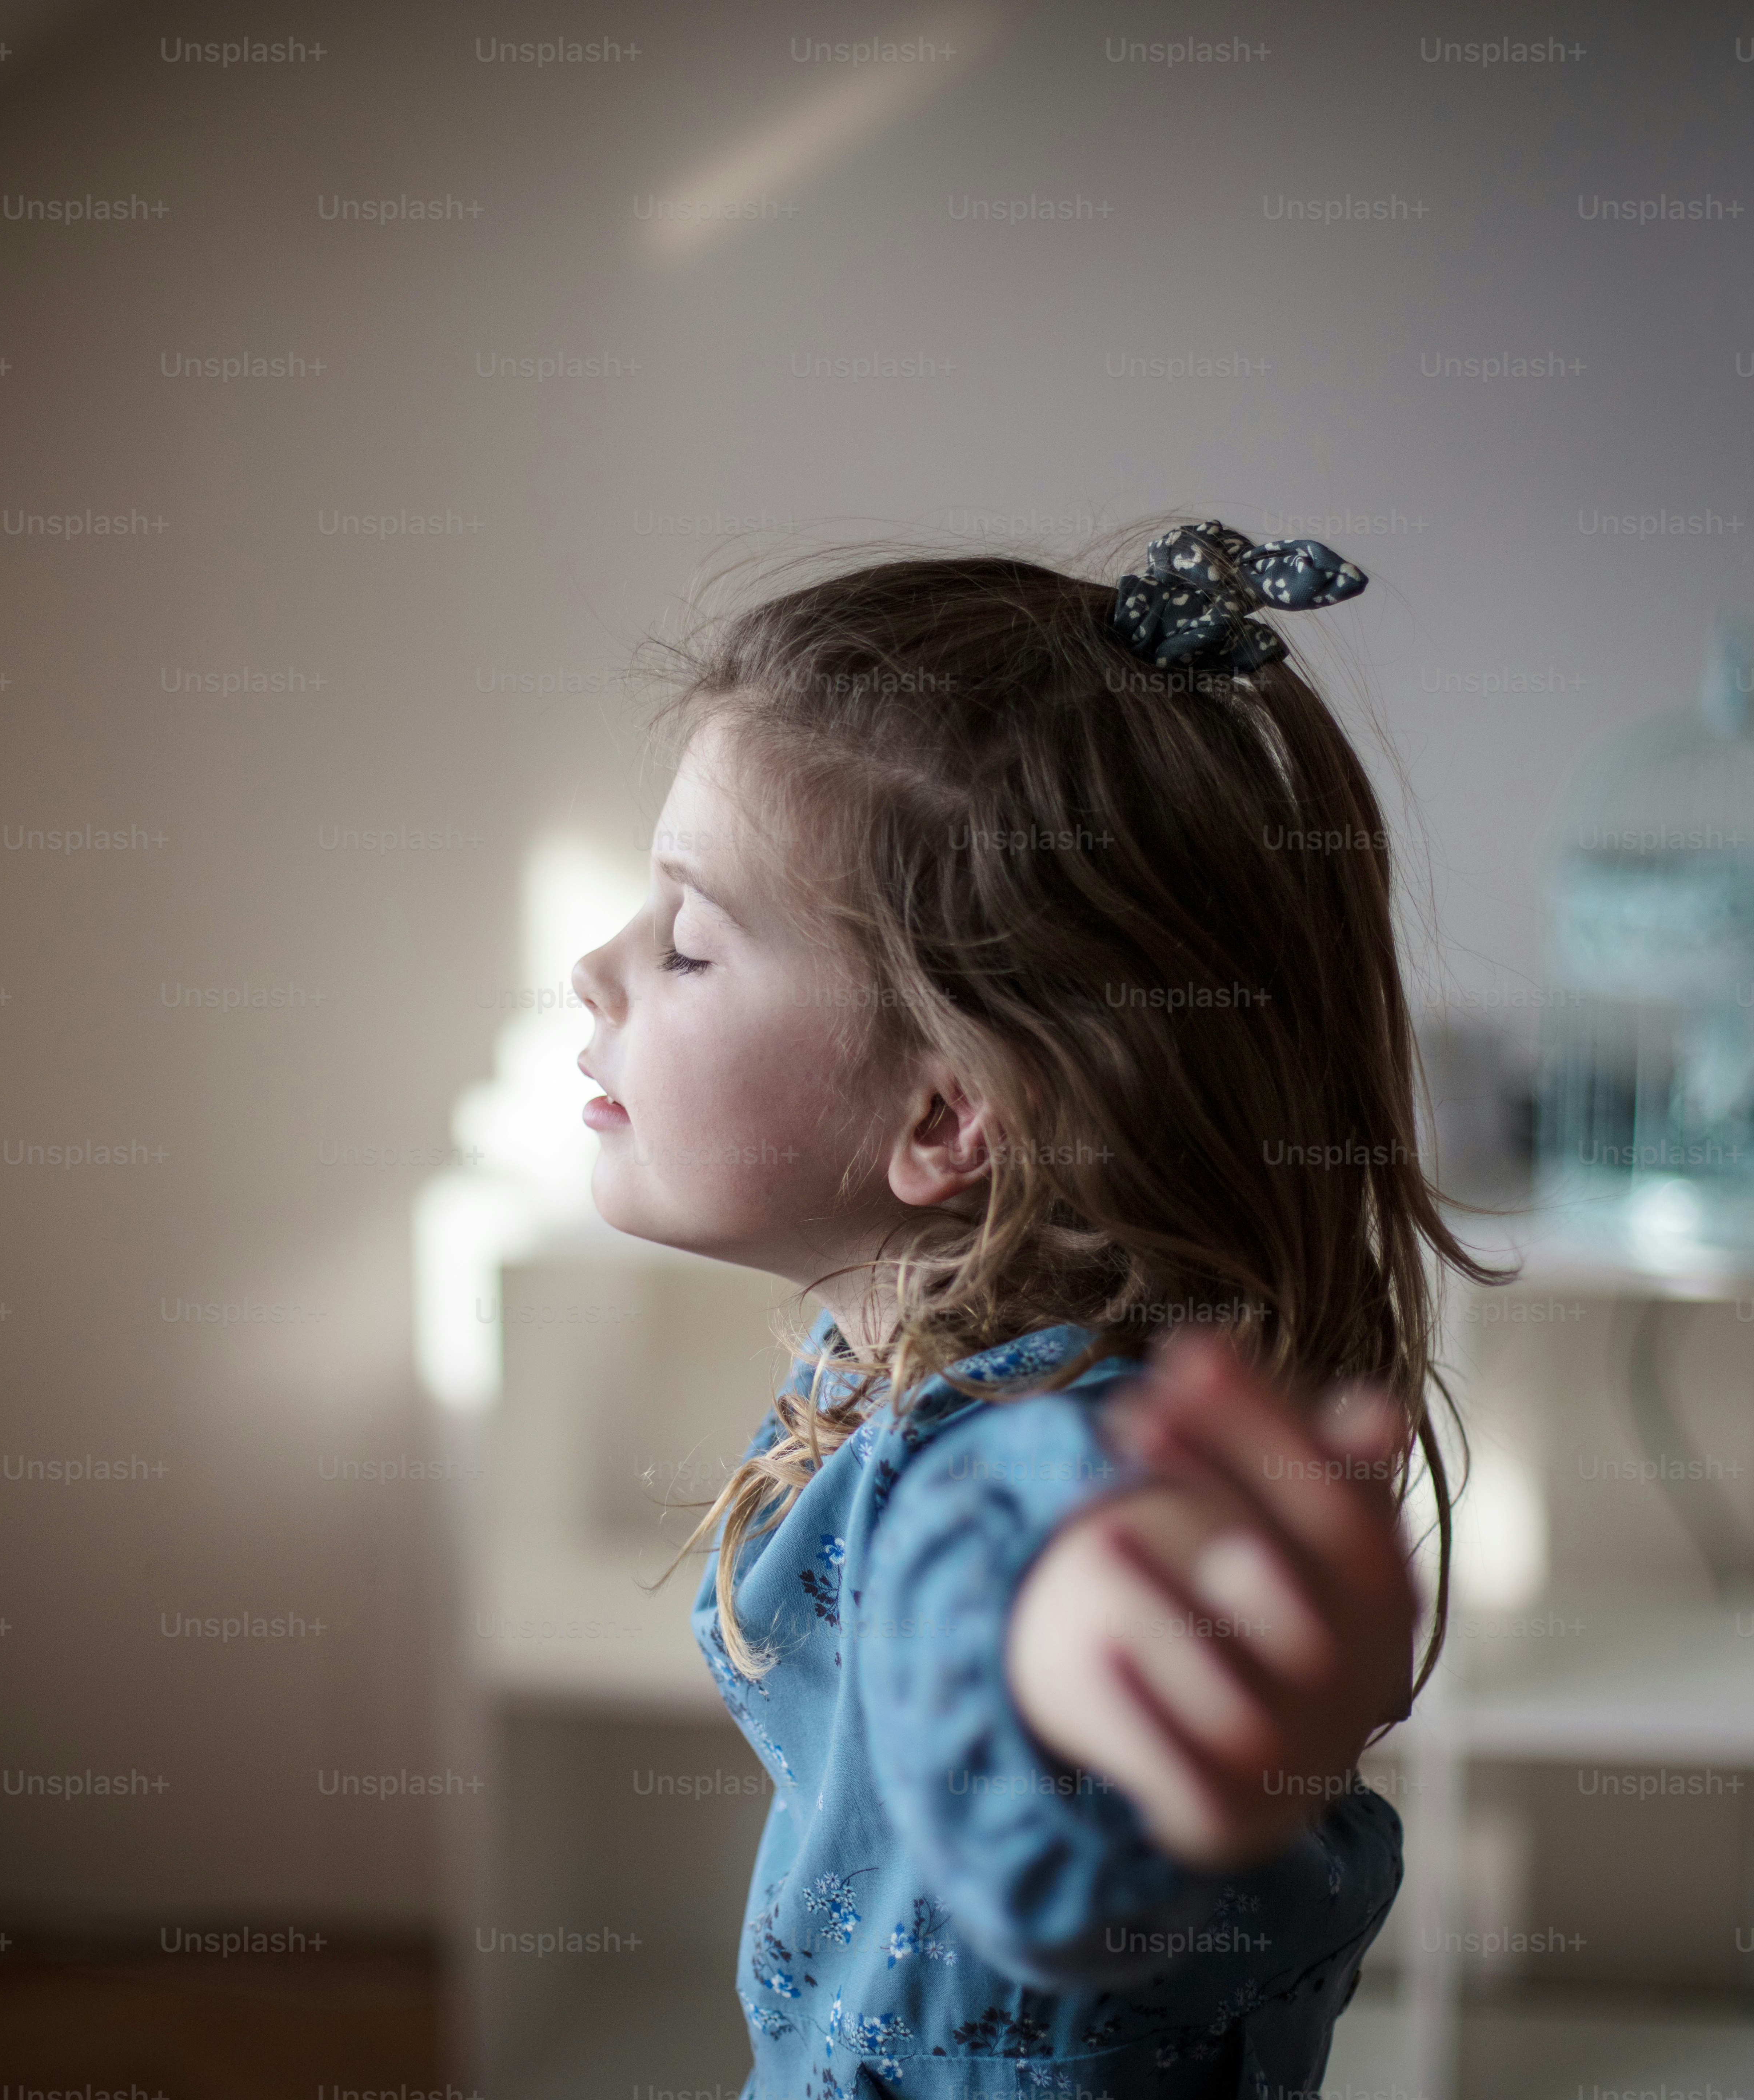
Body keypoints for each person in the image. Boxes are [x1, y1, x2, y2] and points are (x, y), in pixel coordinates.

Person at [568, 519, 1493, 2096]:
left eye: (691, 942)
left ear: (947, 1118)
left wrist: (1094, 1655)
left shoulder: (1040, 1477)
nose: (599, 968)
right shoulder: (904, 1344)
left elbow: (1048, 1592)